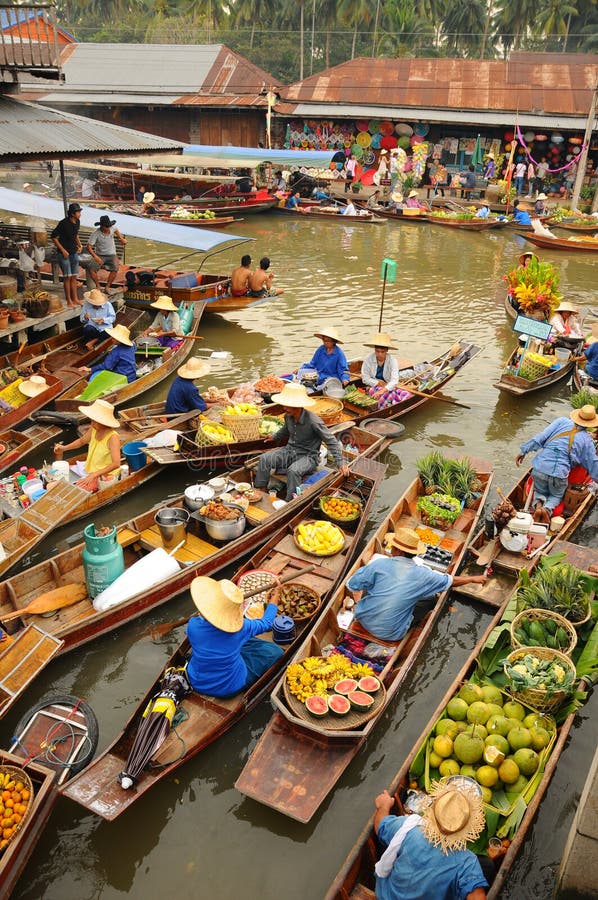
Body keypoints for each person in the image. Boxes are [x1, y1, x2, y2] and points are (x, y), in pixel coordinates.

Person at [346, 527, 487, 641]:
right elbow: (450, 581)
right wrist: (474, 579)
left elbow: (352, 585)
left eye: (393, 545)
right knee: (432, 599)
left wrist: (364, 597)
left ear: (398, 550)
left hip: (363, 618)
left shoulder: (378, 564)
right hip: (391, 634)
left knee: (370, 584)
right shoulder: (423, 574)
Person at [373, 780, 488, 900]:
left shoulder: (408, 827)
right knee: (487, 865)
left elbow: (380, 826)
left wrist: (383, 806)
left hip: (386, 895)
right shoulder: (467, 862)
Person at [185, 576, 283, 698]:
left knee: (235, 643)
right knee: (275, 651)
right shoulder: (242, 629)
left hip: (197, 680)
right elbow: (266, 622)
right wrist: (276, 595)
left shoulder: (192, 625)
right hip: (228, 686)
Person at [254, 382, 350, 501]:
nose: (284, 408)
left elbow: (331, 441)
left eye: (288, 405)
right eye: (285, 405)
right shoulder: (288, 416)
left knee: (293, 470)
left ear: (298, 406)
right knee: (265, 459)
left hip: (309, 456)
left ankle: (291, 501)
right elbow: (285, 430)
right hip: (290, 451)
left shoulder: (314, 422)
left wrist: (340, 463)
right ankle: (261, 490)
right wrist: (274, 437)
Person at [516, 405, 598, 524]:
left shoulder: (561, 421)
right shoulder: (587, 440)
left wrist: (523, 451)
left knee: (539, 490)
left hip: (539, 468)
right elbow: (592, 463)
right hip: (559, 474)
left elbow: (541, 437)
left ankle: (538, 506)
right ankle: (546, 510)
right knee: (556, 495)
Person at [53, 399, 121, 492]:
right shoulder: (94, 429)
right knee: (58, 477)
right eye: (92, 420)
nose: (92, 423)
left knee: (73, 490)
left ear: (103, 422)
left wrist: (94, 475)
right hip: (89, 469)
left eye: (95, 421)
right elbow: (81, 441)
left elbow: (116, 464)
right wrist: (64, 448)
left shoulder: (113, 437)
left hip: (104, 475)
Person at [360, 333, 407, 408]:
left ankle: (389, 403)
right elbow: (365, 378)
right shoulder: (368, 359)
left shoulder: (392, 361)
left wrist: (383, 389)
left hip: (388, 386)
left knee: (406, 395)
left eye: (382, 352)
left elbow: (394, 380)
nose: (380, 354)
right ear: (375, 350)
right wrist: (378, 382)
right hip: (374, 386)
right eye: (377, 351)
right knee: (377, 393)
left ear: (387, 351)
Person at [51, 202, 83, 309]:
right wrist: (63, 250)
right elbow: (54, 237)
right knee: (67, 277)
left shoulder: (77, 222)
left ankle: (75, 299)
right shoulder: (63, 223)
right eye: (78, 212)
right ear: (72, 214)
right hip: (64, 254)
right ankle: (69, 300)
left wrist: (80, 244)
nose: (80, 214)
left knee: (74, 276)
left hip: (73, 252)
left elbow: (76, 234)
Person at [85, 215, 126, 294]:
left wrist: (121, 238)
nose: (108, 228)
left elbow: (116, 230)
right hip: (100, 255)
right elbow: (88, 247)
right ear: (102, 226)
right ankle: (98, 286)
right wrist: (95, 257)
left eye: (109, 226)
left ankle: (107, 287)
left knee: (115, 268)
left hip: (112, 254)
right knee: (91, 269)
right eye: (106, 226)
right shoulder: (96, 234)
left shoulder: (112, 228)